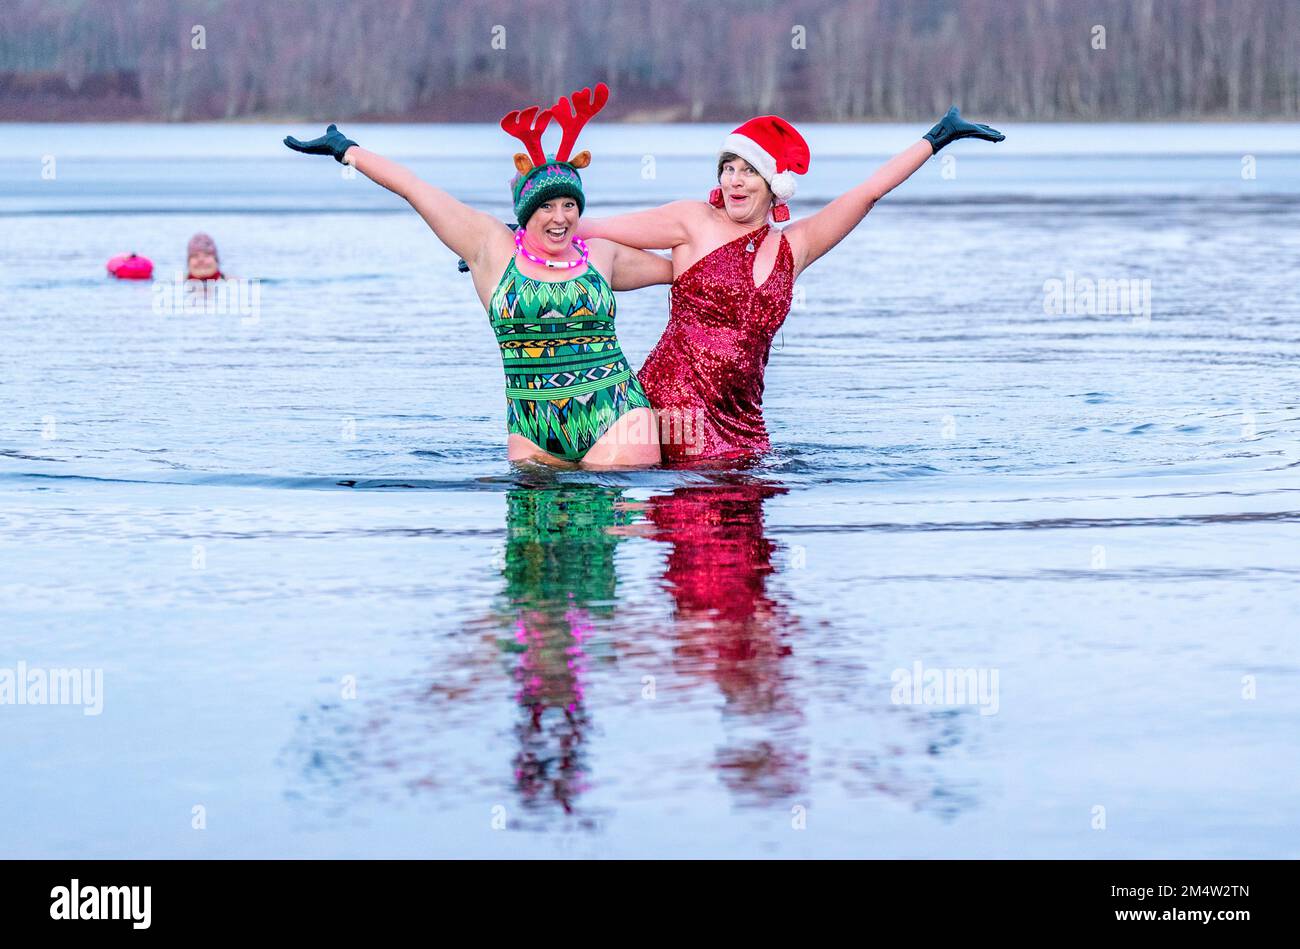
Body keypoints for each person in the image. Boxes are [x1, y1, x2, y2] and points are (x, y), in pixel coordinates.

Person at [577, 106, 1005, 465]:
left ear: (773, 185)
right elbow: (592, 227)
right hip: (671, 408)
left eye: (747, 171)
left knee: (747, 548)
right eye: (728, 169)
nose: (734, 181)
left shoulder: (794, 246)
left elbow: (868, 193)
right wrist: (535, 212)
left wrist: (937, 137)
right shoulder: (693, 221)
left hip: (741, 422)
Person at [284, 83, 670, 468]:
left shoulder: (602, 254)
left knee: (604, 512)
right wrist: (348, 151)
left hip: (618, 417)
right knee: (532, 520)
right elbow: (416, 190)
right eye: (547, 206)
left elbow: (687, 272)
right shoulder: (489, 248)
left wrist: (727, 220)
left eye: (570, 204)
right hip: (533, 429)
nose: (560, 217)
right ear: (525, 212)